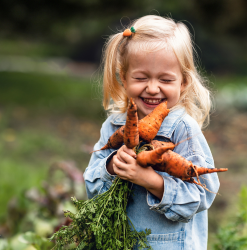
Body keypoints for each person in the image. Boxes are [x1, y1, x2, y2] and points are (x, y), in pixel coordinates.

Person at [84, 15, 219, 250]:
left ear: (184, 82)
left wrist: (150, 180)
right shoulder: (113, 126)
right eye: (141, 78)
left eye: (166, 79)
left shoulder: (183, 129)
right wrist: (111, 166)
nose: (153, 88)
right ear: (124, 79)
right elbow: (91, 187)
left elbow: (203, 195)